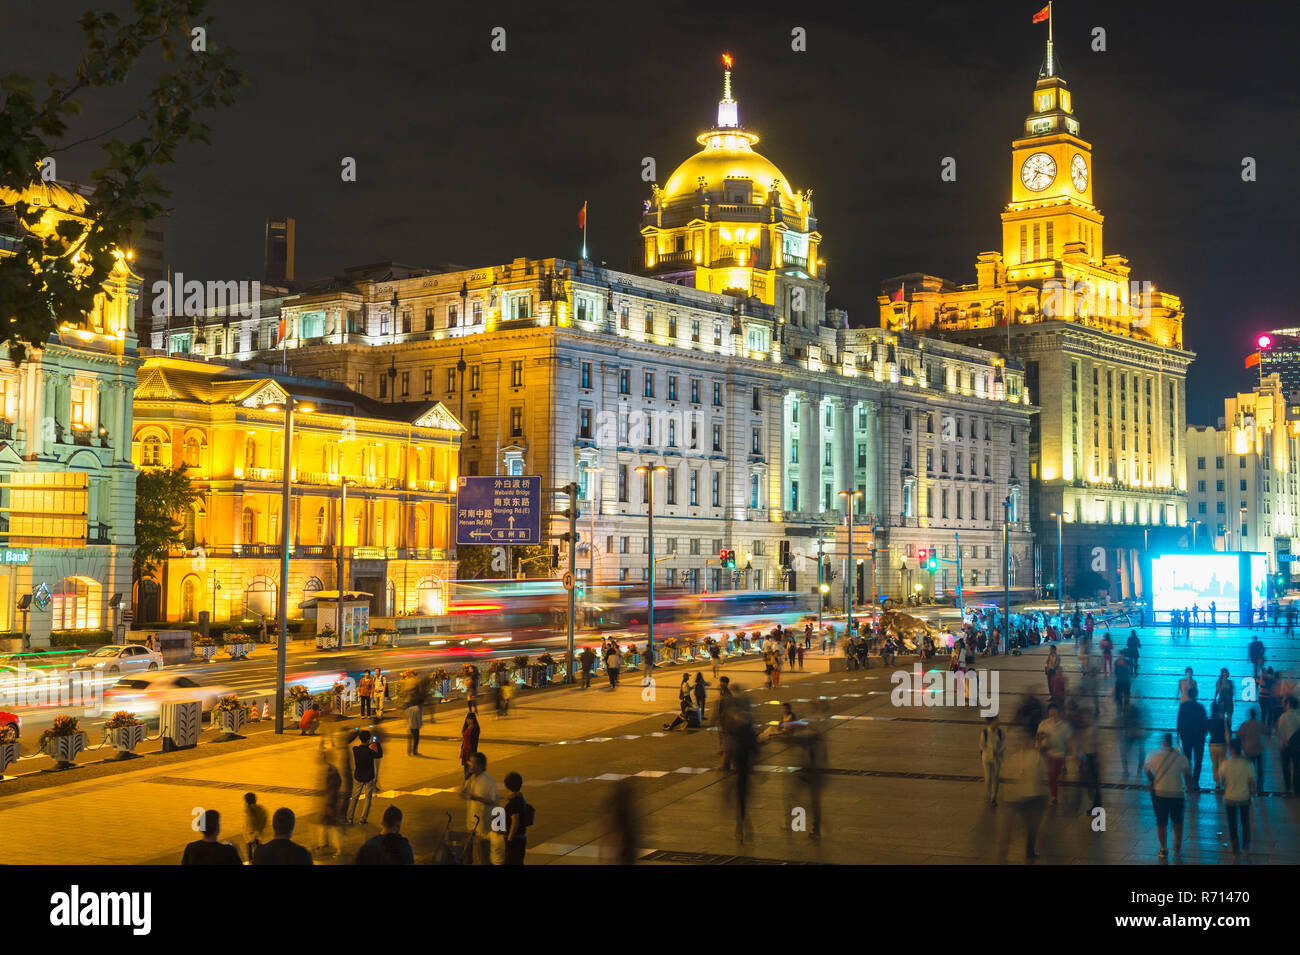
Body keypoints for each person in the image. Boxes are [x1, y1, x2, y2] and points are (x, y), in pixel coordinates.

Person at [1144, 733, 1194, 860]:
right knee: (1177, 822)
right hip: (1177, 794)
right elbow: (1188, 774)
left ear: (1163, 742)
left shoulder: (1156, 757)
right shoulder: (1180, 757)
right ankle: (1177, 848)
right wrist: (1189, 788)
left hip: (1160, 794)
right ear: (1171, 742)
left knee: (1161, 823)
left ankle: (1163, 848)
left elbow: (1148, 771)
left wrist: (1153, 780)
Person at [1218, 738, 1257, 856]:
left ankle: (1235, 848)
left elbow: (1223, 782)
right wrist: (1253, 796)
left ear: (1231, 749)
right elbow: (1251, 783)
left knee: (1232, 824)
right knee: (1245, 823)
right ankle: (1246, 846)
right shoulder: (1248, 764)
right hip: (1244, 798)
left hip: (1230, 798)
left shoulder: (1225, 764)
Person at [459, 751, 499, 865]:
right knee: (471, 857)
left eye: (472, 762)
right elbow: (464, 794)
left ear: (480, 766)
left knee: (483, 858)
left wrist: (476, 798)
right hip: (471, 826)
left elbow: (494, 801)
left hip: (483, 828)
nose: (469, 764)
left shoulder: (488, 781)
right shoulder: (471, 779)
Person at [347, 729, 383, 824]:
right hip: (369, 777)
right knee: (368, 798)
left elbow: (352, 744)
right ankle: (363, 819)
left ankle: (349, 818)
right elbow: (379, 754)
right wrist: (376, 743)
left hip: (358, 776)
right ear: (368, 739)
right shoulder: (370, 751)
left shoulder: (355, 750)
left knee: (354, 797)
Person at [1176, 687, 1208, 790]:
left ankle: (1188, 783)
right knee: (1198, 761)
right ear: (1196, 695)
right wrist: (1204, 733)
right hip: (1199, 738)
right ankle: (1196, 782)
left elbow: (1179, 721)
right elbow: (1205, 722)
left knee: (1187, 760)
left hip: (1186, 737)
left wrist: (1178, 735)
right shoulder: (1200, 707)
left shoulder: (1183, 706)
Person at [502, 771, 530, 865]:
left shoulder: (513, 803)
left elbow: (515, 822)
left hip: (515, 839)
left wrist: (509, 839)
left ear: (507, 785)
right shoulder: (521, 798)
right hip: (522, 837)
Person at [979, 715, 1006, 807]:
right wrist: (990, 752)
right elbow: (982, 746)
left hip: (997, 759)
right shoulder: (985, 733)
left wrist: (998, 752)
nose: (998, 721)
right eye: (996, 720)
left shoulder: (1000, 733)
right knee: (988, 778)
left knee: (995, 778)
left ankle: (993, 798)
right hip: (987, 758)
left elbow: (1004, 745)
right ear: (991, 722)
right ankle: (989, 794)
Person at [1237, 707, 1265, 783]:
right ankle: (1260, 783)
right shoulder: (1258, 724)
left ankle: (1249, 782)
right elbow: (1266, 731)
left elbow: (1238, 734)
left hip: (1248, 749)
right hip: (1258, 749)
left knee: (1249, 767)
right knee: (1259, 768)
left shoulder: (1245, 724)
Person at [1279, 696, 1300, 795]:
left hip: (1286, 746)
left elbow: (1281, 732)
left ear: (1289, 704)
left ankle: (1287, 789)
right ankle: (1297, 789)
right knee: (1297, 768)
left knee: (1286, 767)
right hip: (1297, 746)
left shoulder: (1284, 716)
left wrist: (1283, 743)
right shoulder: (1299, 715)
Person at [1207, 701, 1229, 790]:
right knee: (1223, 763)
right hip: (1222, 744)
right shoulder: (1222, 720)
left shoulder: (1209, 721)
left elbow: (1207, 731)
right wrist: (1229, 743)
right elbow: (1226, 732)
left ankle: (1217, 783)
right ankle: (1224, 780)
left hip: (1212, 744)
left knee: (1214, 764)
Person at [242, 792, 269, 861]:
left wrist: (249, 835)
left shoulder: (249, 810)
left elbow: (249, 824)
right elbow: (264, 819)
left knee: (251, 852)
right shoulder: (260, 809)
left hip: (251, 835)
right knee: (257, 852)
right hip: (257, 834)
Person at [460, 708, 480, 779]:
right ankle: (467, 781)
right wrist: (462, 749)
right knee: (466, 768)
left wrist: (474, 753)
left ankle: (470, 781)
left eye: (470, 719)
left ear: (474, 720)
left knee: (471, 768)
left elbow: (475, 741)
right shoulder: (466, 727)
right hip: (465, 750)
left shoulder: (475, 728)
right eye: (468, 719)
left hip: (471, 750)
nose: (469, 720)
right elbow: (464, 739)